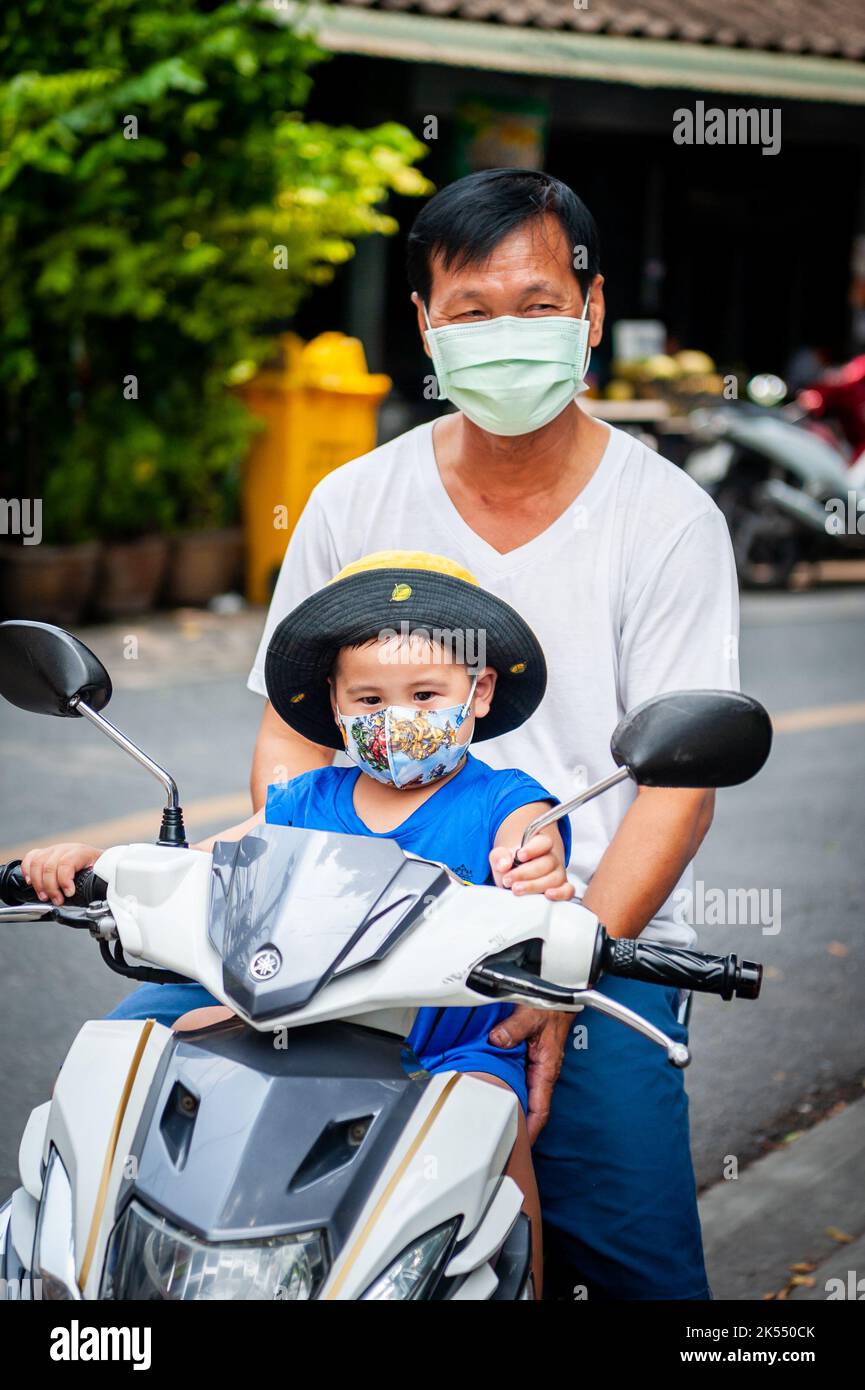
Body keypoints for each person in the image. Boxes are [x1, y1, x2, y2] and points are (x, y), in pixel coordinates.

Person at [243, 168, 740, 1299]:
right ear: (424, 324)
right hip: (349, 924)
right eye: (469, 310)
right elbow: (288, 733)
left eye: (535, 302)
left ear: (591, 310)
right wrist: (283, 901)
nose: (503, 333)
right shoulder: (353, 501)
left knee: (634, 1263)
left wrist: (566, 973)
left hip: (580, 929)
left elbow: (678, 786)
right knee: (147, 1084)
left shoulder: (664, 520)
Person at [20, 550, 576, 1298]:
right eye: (370, 699)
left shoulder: (506, 799)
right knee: (139, 1064)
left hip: (445, 1042)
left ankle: (524, 1283)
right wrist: (103, 863)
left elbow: (529, 844)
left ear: (476, 693)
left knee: (490, 1129)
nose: (396, 718)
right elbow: (208, 861)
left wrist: (532, 866)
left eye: (423, 693)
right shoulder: (305, 797)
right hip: (294, 1017)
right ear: (336, 708)